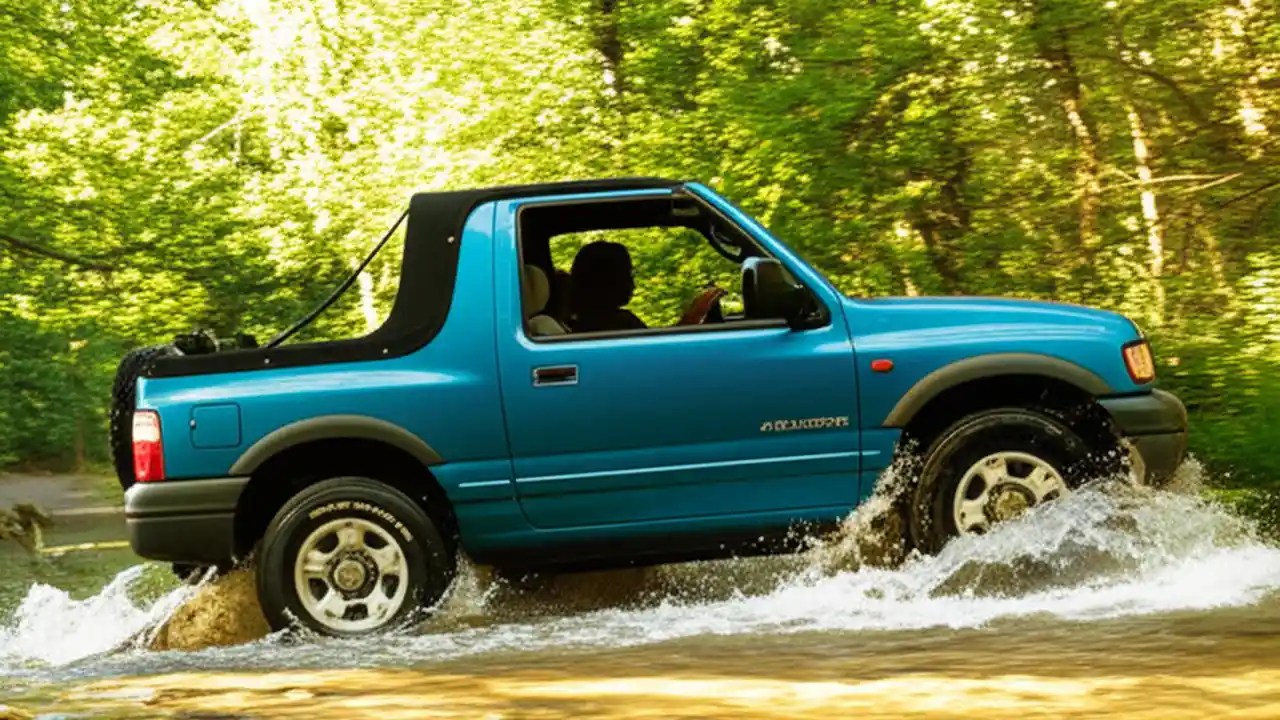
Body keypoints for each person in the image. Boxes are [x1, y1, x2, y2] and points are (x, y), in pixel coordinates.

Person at [568, 241, 725, 333]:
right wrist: (694, 315)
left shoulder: (586, 323)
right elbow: (661, 352)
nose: (632, 283)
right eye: (627, 274)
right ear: (607, 280)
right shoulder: (617, 323)